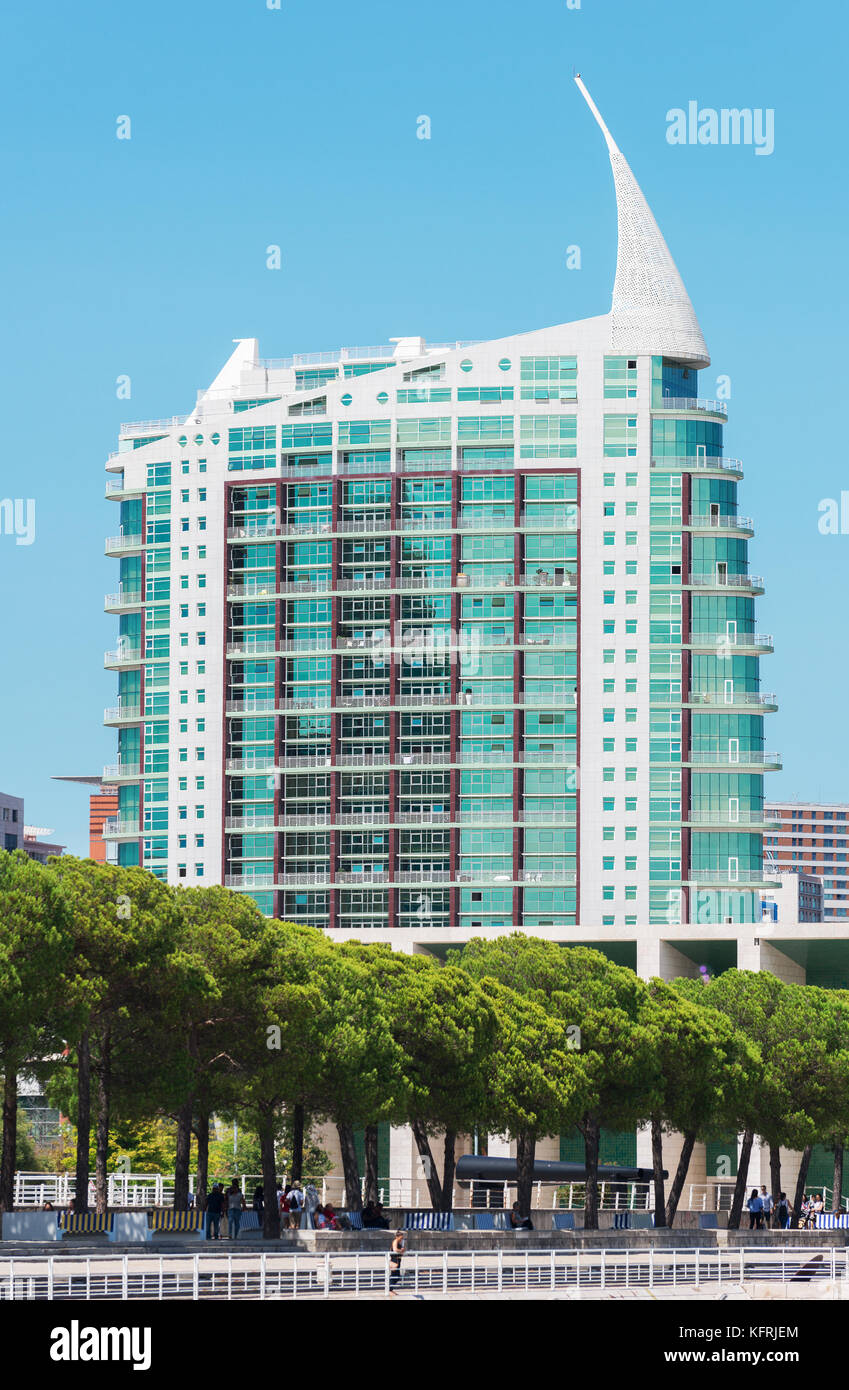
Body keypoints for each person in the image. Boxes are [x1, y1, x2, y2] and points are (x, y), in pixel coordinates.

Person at [389, 1229, 407, 1295]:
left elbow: (401, 1252)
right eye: (401, 1238)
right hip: (394, 1260)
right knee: (394, 1275)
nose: (401, 1239)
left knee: (397, 1276)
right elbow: (395, 1249)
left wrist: (403, 1250)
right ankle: (389, 1289)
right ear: (397, 1237)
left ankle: (390, 1289)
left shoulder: (400, 1243)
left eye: (402, 1238)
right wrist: (401, 1250)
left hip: (398, 1260)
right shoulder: (395, 1241)